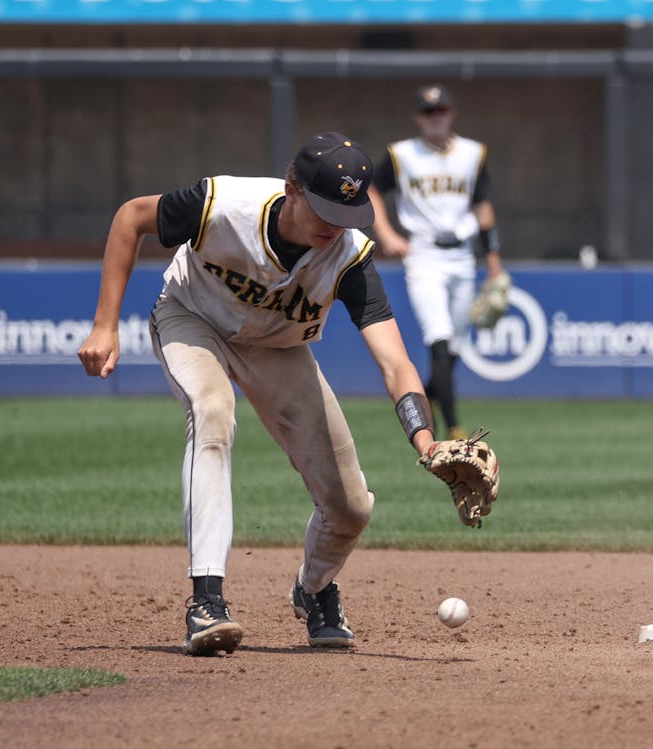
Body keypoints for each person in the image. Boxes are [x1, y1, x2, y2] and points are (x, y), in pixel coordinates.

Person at [78, 132, 447, 656]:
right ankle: (206, 600)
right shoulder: (223, 205)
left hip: (278, 347)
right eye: (325, 210)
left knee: (351, 507)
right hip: (193, 319)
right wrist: (104, 324)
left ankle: (314, 588)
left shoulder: (349, 256)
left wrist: (425, 441)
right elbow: (131, 217)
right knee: (213, 412)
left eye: (347, 214)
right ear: (292, 189)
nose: (335, 226)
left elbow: (395, 362)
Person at [367, 82, 507, 442]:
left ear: (451, 113)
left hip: (463, 256)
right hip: (424, 256)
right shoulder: (402, 154)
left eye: (440, 110)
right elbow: (371, 188)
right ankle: (454, 428)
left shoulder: (472, 153)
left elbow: (483, 206)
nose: (435, 117)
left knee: (455, 346)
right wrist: (386, 233)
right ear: (418, 117)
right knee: (439, 338)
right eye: (428, 111)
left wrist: (493, 260)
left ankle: (428, 394)